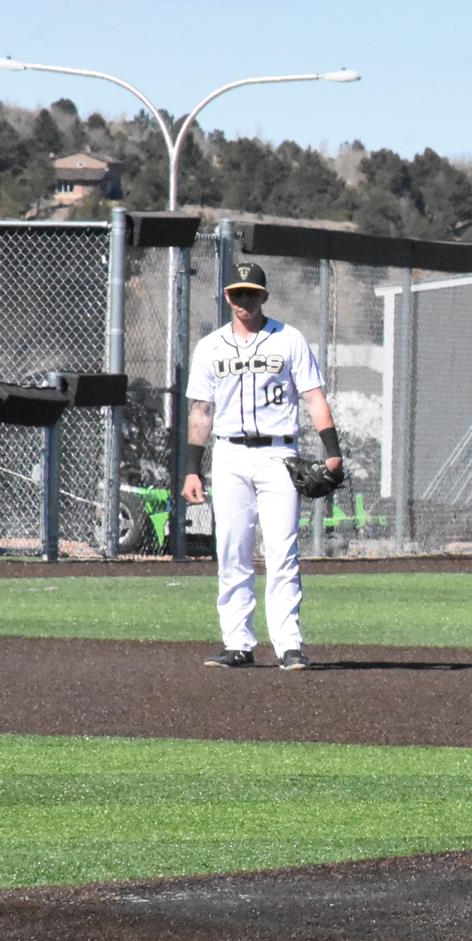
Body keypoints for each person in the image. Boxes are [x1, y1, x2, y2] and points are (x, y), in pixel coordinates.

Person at [181, 262, 342, 671]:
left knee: (282, 550)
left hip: (278, 455)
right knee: (231, 549)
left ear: (264, 296)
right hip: (230, 454)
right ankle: (238, 643)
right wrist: (192, 468)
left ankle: (289, 644)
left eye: (251, 293)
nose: (244, 300)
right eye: (237, 293)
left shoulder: (288, 339)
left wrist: (332, 451)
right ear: (226, 297)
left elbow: (314, 397)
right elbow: (201, 412)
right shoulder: (210, 347)